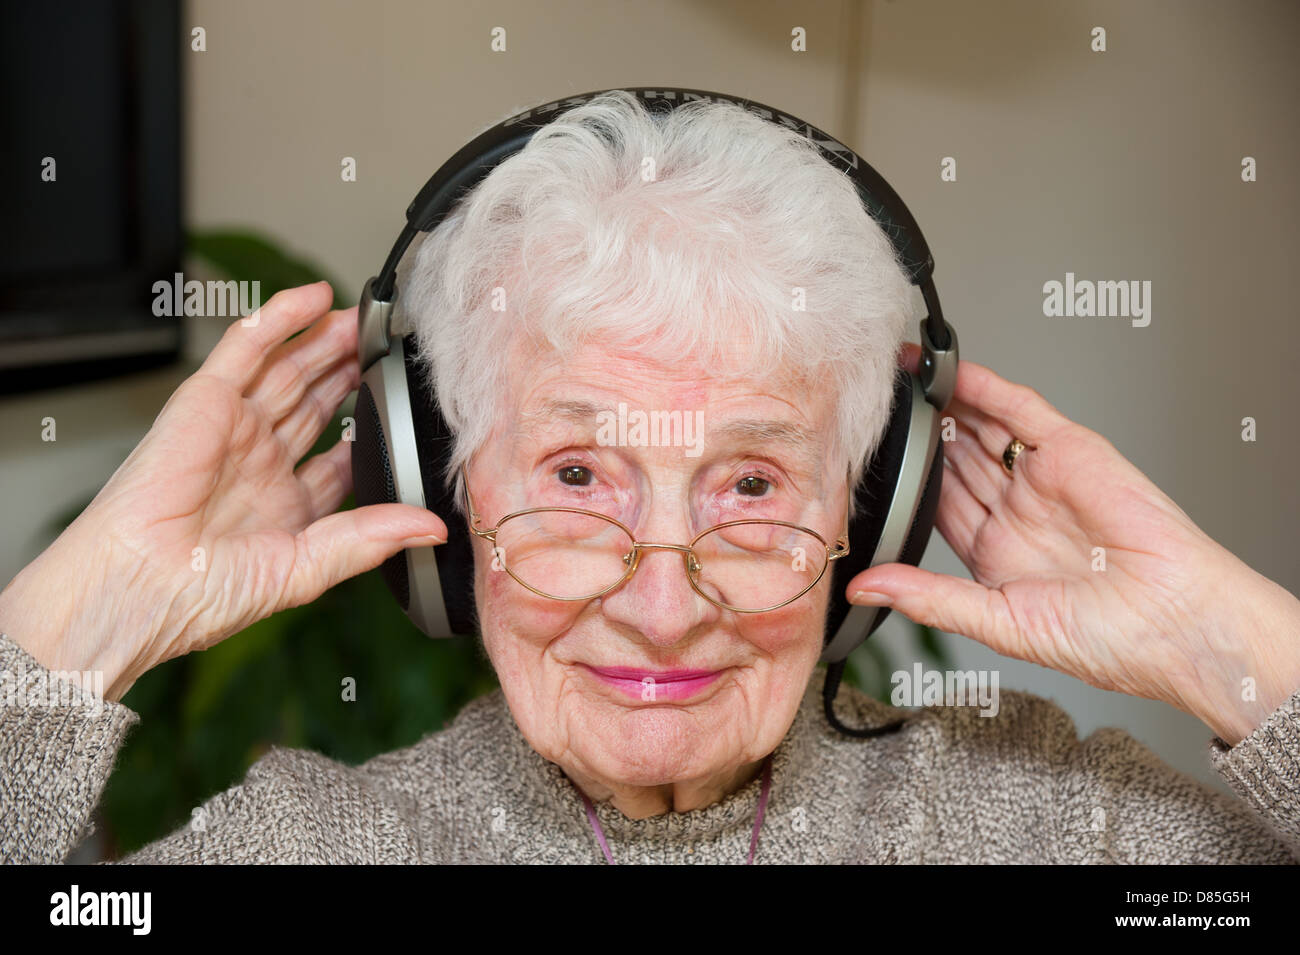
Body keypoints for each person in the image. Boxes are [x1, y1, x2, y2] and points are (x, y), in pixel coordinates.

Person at [2, 93, 1297, 864]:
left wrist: (1223, 644)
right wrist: (93, 619)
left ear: (867, 506)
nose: (665, 608)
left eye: (748, 486)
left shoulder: (1050, 833)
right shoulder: (323, 852)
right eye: (576, 472)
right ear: (445, 506)